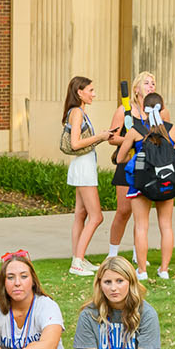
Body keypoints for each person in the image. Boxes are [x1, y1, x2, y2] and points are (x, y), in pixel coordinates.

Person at [100, 73, 171, 282]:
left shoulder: (162, 111)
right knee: (123, 211)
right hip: (128, 164)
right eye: (146, 83)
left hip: (151, 168)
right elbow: (112, 138)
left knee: (142, 215)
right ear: (136, 88)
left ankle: (136, 254)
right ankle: (112, 253)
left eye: (153, 83)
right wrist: (130, 139)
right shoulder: (124, 110)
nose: (151, 86)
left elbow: (167, 137)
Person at [61, 76, 114, 275]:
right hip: (84, 167)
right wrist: (99, 137)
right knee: (96, 216)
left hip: (83, 165)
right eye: (90, 90)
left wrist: (101, 137)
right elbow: (76, 144)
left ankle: (79, 258)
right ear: (79, 92)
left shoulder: (78, 112)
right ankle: (77, 262)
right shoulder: (77, 112)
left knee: (81, 215)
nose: (94, 94)